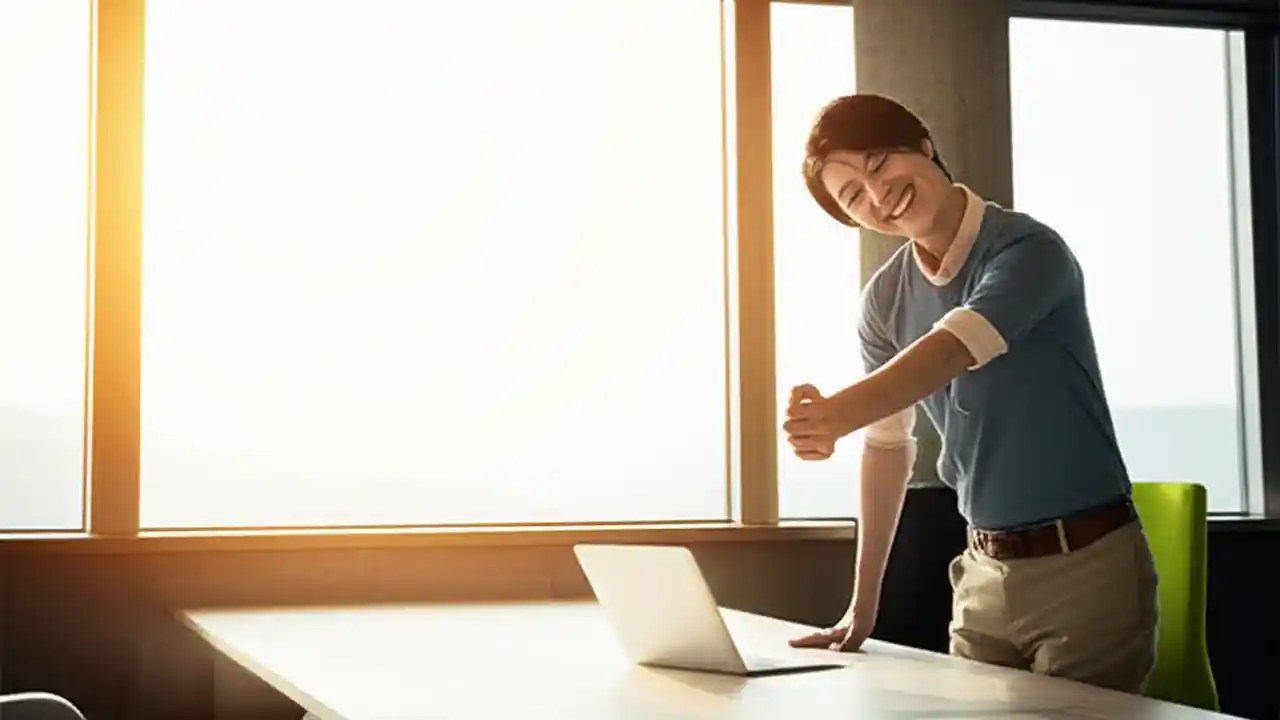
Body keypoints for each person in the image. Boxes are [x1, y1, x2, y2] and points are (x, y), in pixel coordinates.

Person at [782, 93, 1159, 694]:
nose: (878, 194)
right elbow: (887, 449)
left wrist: (836, 413)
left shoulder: (1029, 250)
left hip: (1087, 569)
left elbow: (957, 345)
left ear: (923, 146)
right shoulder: (883, 302)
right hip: (981, 575)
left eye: (879, 163)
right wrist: (862, 607)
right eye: (853, 196)